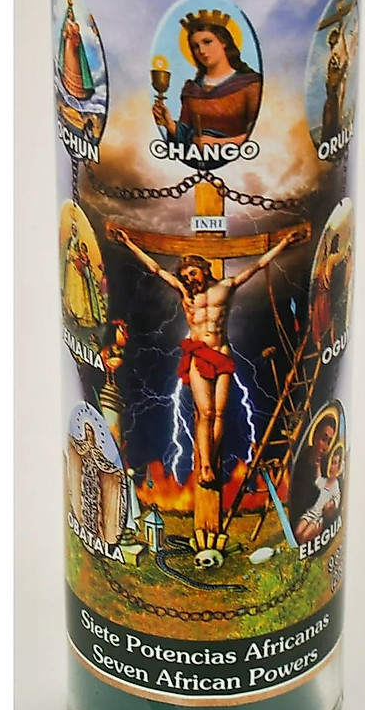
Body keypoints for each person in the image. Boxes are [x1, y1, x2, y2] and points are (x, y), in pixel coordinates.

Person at [115, 226, 301, 488]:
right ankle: (203, 466)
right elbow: (156, 269)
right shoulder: (185, 294)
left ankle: (209, 462)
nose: (189, 279)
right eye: (185, 275)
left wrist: (283, 244)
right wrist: (129, 244)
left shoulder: (226, 287)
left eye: (193, 273)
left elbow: (259, 265)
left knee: (220, 413)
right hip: (198, 354)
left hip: (221, 353)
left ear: (204, 269)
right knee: (206, 412)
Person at [153, 13, 261, 146]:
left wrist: (218, 143)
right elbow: (186, 136)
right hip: (198, 158)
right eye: (195, 46)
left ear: (224, 42)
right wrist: (170, 125)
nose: (202, 51)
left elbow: (259, 133)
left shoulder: (250, 85)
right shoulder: (192, 89)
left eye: (207, 42)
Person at [294, 443, 344, 542]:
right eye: (331, 462)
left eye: (334, 463)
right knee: (297, 532)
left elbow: (337, 499)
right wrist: (318, 464)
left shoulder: (335, 485)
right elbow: (318, 478)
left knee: (304, 536)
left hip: (318, 519)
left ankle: (315, 535)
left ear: (339, 467)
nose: (331, 466)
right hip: (310, 513)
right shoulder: (324, 481)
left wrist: (332, 503)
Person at [310, 233, 350, 348]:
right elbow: (327, 281)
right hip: (324, 297)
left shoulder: (325, 262)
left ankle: (324, 347)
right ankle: (329, 345)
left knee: (319, 325)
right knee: (328, 322)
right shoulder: (332, 258)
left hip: (319, 297)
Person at [319, 18, 350, 143]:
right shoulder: (333, 62)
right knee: (330, 128)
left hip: (333, 101)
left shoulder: (336, 59)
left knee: (334, 128)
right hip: (331, 102)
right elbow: (334, 79)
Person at [58, 0, 94, 100]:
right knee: (70, 65)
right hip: (69, 47)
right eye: (68, 13)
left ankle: (79, 90)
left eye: (71, 13)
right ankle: (69, 86)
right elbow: (64, 34)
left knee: (77, 66)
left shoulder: (74, 24)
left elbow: (77, 32)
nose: (70, 15)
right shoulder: (67, 24)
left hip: (75, 46)